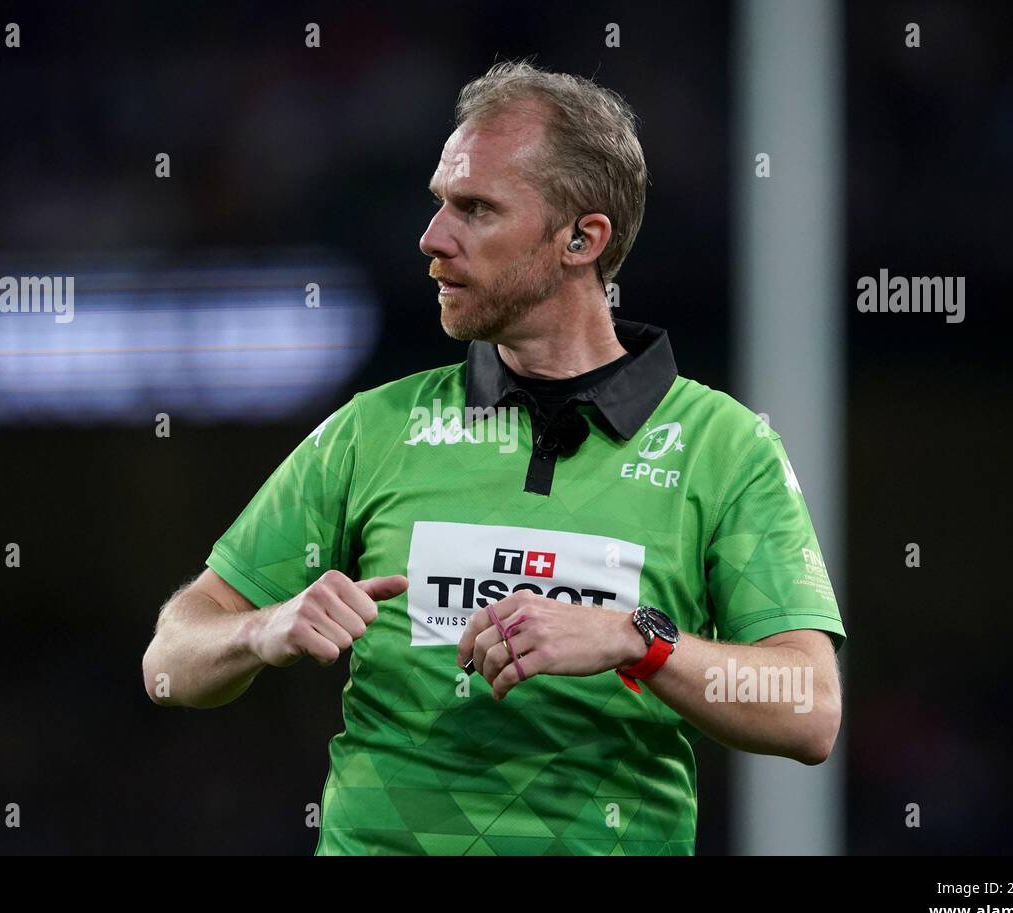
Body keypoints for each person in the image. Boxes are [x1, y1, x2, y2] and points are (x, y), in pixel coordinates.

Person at [143, 60, 846, 855]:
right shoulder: (371, 429)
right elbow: (171, 656)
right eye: (440, 203)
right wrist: (261, 628)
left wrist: (637, 640)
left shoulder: (725, 448)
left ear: (582, 239)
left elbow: (809, 709)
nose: (433, 238)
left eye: (475, 209)